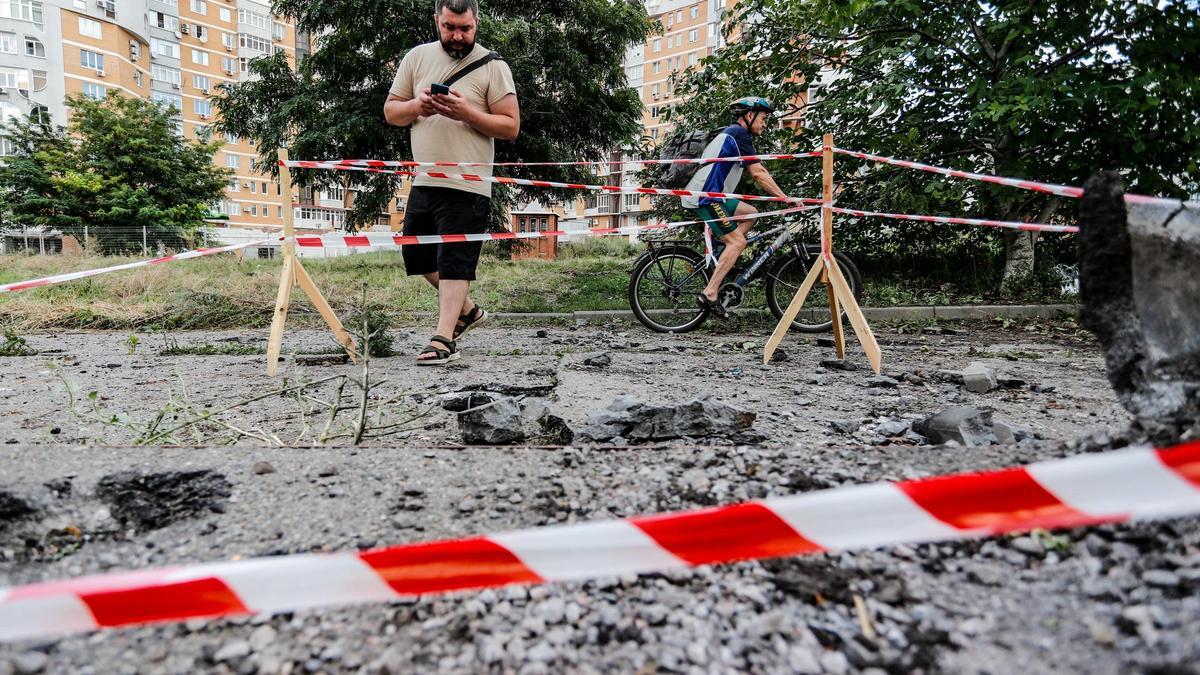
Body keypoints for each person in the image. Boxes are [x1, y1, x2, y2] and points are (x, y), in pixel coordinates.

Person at [383, 0, 520, 365]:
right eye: (449, 27)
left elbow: (510, 126)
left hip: (469, 184)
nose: (457, 36)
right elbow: (391, 112)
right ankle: (469, 311)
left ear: (476, 24)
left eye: (465, 28)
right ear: (437, 21)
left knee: (454, 260)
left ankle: (444, 338)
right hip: (425, 179)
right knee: (417, 254)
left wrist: (468, 114)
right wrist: (417, 107)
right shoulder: (416, 58)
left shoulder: (494, 66)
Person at [681, 96, 789, 318]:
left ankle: (726, 256)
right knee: (738, 242)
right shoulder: (738, 134)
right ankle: (710, 292)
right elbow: (758, 173)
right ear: (750, 116)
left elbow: (758, 171)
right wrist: (784, 198)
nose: (764, 123)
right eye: (763, 118)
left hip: (713, 196)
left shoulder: (736, 135)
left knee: (751, 213)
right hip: (706, 197)